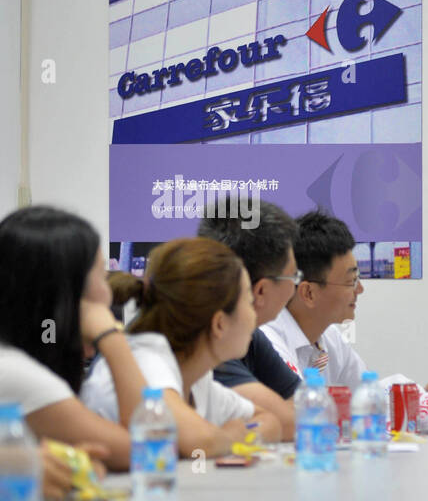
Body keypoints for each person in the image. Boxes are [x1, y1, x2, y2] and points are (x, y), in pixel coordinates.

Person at [80, 238, 282, 456]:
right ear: (219, 324)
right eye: (249, 301)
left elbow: (270, 421)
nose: (254, 315)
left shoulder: (196, 377)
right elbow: (199, 441)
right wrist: (232, 437)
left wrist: (232, 437)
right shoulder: (146, 360)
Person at [260, 210, 428, 404]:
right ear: (309, 293)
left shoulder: (328, 336)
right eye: (351, 282)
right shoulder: (268, 340)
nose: (360, 290)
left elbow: (366, 397)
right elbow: (304, 411)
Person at [0, 205, 146, 470]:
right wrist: (112, 338)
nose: (109, 295)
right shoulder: (17, 372)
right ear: (66, 291)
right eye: (101, 276)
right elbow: (147, 448)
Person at [196, 200, 302, 438]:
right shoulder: (198, 334)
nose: (294, 288)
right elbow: (291, 423)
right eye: (293, 276)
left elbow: (306, 408)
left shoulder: (247, 334)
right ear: (260, 290)